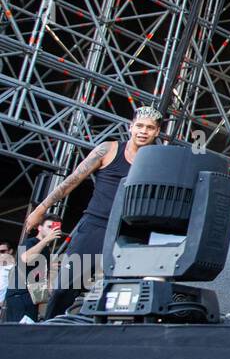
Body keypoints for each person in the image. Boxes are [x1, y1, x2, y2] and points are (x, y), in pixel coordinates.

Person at [34, 106, 162, 319]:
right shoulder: (109, 149)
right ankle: (49, 329)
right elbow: (73, 180)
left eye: (150, 128)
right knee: (67, 286)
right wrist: (41, 208)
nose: (143, 131)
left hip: (131, 231)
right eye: (139, 126)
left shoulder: (157, 160)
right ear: (130, 127)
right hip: (97, 225)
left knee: (124, 292)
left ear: (157, 132)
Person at [3, 218, 61, 322]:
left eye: (54, 227)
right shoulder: (30, 242)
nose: (51, 230)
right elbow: (24, 259)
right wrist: (46, 240)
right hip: (20, 295)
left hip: (31, 297)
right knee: (19, 331)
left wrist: (49, 293)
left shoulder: (46, 249)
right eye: (49, 227)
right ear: (39, 228)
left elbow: (43, 276)